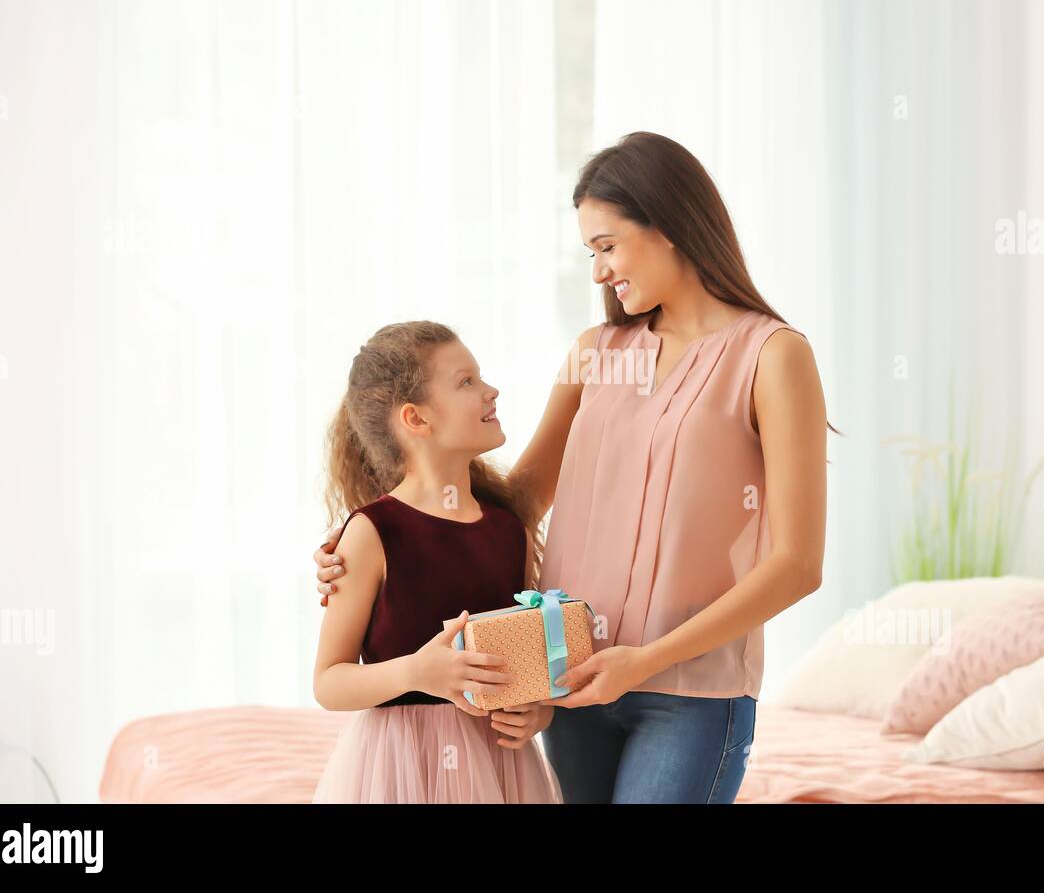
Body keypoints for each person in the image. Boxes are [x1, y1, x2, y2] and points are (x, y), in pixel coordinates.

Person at [316, 132, 833, 803]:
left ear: (670, 226)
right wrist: (369, 539)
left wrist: (645, 661)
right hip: (568, 688)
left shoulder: (771, 355)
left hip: (691, 694)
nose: (598, 272)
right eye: (590, 253)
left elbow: (797, 563)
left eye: (607, 246)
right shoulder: (596, 352)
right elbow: (514, 503)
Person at [311, 321, 562, 803]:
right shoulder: (370, 533)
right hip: (402, 769)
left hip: (501, 765)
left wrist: (538, 710)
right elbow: (328, 682)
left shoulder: (510, 530)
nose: (491, 391)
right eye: (466, 381)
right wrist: (416, 673)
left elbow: (525, 661)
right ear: (416, 419)